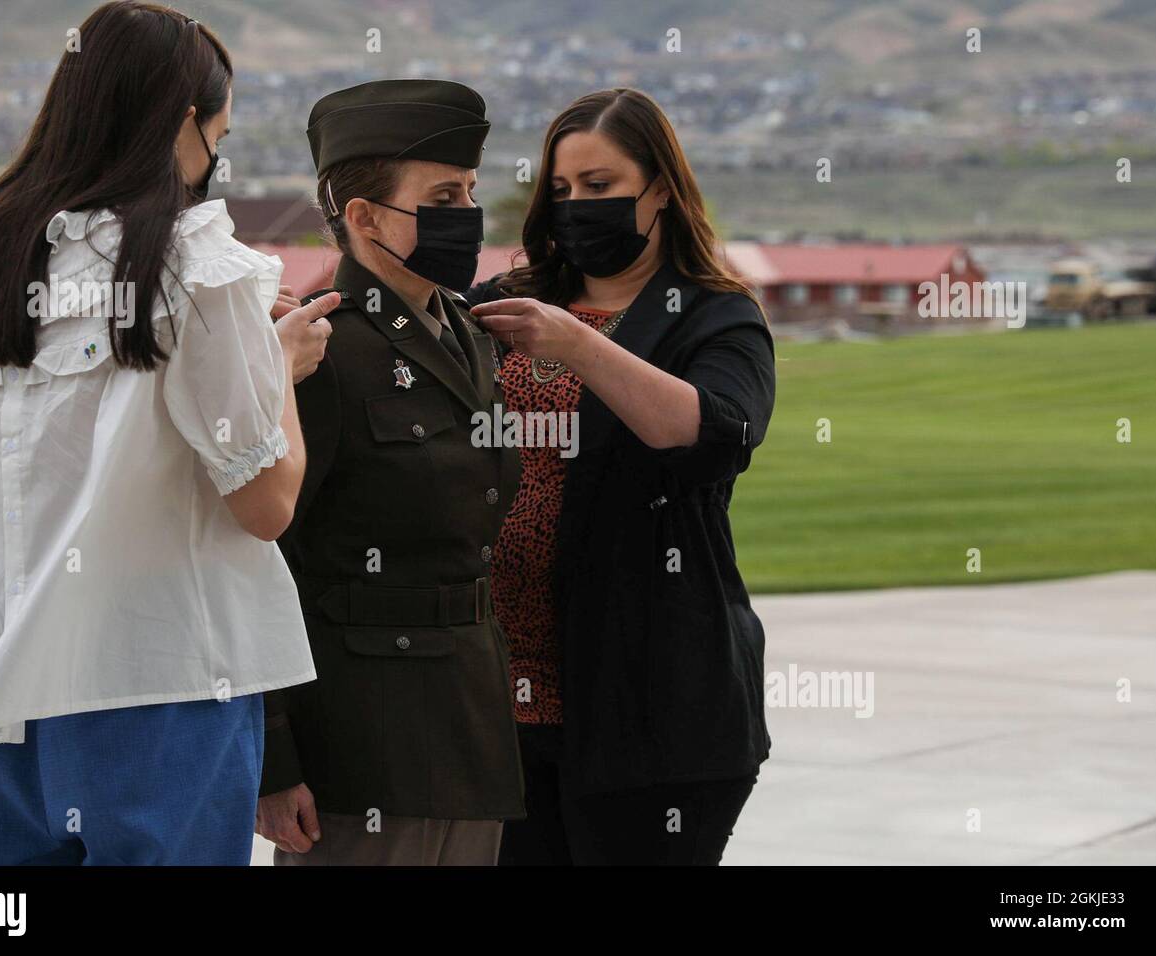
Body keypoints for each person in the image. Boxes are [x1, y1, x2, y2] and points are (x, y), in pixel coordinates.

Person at [0, 1, 334, 865]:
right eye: (219, 133)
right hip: (158, 686)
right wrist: (275, 369)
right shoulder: (198, 267)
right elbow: (266, 501)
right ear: (183, 125)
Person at [465, 88, 777, 865]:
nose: (576, 206)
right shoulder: (504, 305)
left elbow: (710, 435)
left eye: (600, 187)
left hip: (653, 706)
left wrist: (577, 345)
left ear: (662, 188)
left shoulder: (717, 316)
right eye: (562, 190)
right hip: (502, 701)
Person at [254, 79, 524, 867]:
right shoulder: (320, 349)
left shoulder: (466, 332)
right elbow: (263, 557)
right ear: (364, 218)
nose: (467, 214)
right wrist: (276, 761)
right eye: (442, 195)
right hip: (358, 744)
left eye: (471, 191)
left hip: (467, 728)